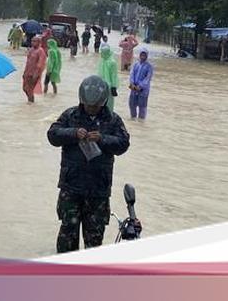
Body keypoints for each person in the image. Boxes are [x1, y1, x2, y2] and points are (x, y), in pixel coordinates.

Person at [46, 76, 131, 253]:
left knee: (94, 241)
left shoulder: (113, 120)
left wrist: (102, 139)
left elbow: (123, 144)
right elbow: (52, 135)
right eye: (88, 105)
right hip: (71, 188)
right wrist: (73, 133)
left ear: (103, 102)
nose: (91, 108)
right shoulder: (70, 115)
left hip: (98, 191)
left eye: (95, 106)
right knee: (67, 236)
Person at [127, 48, 153, 121]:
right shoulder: (136, 64)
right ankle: (133, 118)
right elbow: (132, 74)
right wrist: (132, 83)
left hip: (143, 90)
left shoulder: (149, 66)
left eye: (144, 55)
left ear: (147, 56)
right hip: (134, 88)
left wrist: (141, 86)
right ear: (139, 55)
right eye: (142, 54)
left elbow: (148, 78)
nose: (143, 56)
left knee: (142, 106)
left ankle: (141, 121)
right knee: (132, 104)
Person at [22, 35, 47, 103]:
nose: (32, 43)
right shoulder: (31, 50)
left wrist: (36, 74)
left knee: (30, 89)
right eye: (32, 41)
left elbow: (40, 64)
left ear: (39, 42)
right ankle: (30, 101)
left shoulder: (40, 51)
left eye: (34, 41)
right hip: (27, 72)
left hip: (34, 73)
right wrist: (24, 73)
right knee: (24, 88)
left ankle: (31, 103)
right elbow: (28, 62)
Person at [97, 44, 119, 113]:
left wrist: (114, 87)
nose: (101, 54)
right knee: (100, 103)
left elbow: (114, 75)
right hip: (101, 86)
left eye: (102, 53)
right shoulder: (102, 61)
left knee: (109, 103)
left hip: (109, 87)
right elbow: (99, 72)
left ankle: (109, 115)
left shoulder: (112, 62)